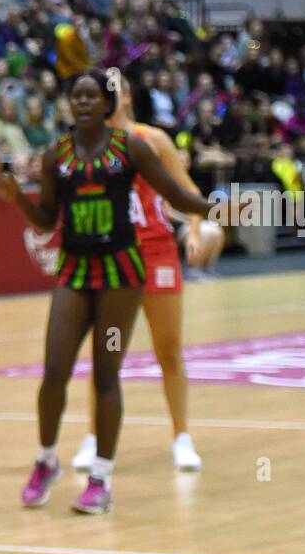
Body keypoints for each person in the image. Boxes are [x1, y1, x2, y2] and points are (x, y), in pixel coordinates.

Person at [0, 68, 211, 514]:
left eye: (93, 96)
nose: (84, 103)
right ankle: (46, 459)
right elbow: (48, 221)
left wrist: (218, 207)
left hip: (121, 270)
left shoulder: (133, 148)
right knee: (54, 371)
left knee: (107, 374)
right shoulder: (57, 157)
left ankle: (101, 479)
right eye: (77, 96)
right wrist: (16, 197)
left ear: (109, 104)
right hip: (74, 269)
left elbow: (177, 196)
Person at [69, 75, 222, 473]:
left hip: (156, 255)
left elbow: (186, 192)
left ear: (127, 96)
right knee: (106, 355)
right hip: (111, 259)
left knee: (168, 349)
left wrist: (192, 230)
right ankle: (92, 437)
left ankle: (182, 437)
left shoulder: (153, 140)